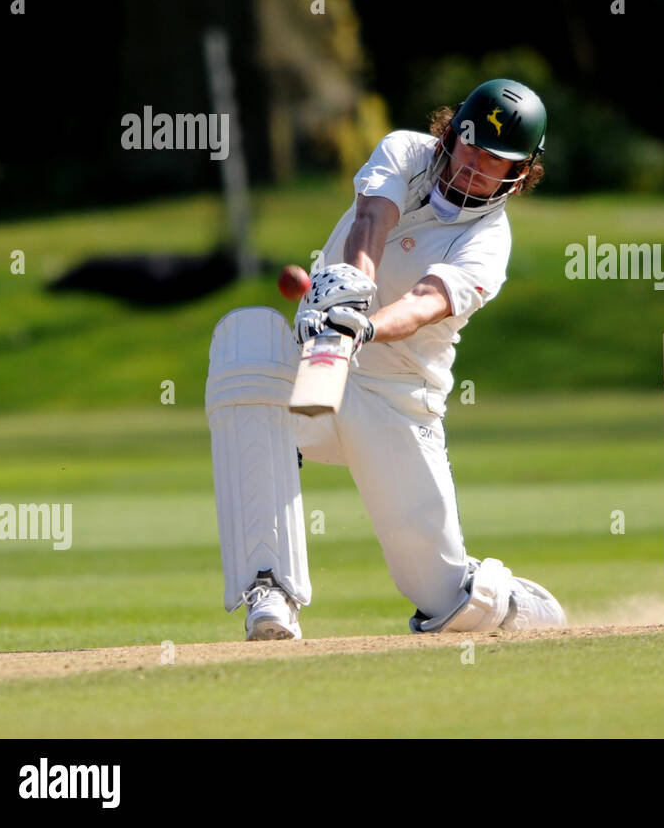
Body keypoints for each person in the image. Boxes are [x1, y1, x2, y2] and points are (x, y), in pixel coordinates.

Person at [206, 78, 567, 639]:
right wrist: (351, 290)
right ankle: (270, 590)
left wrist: (365, 325)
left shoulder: (490, 243)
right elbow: (373, 219)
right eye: (471, 145)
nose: (476, 165)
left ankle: (508, 603)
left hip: (397, 401)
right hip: (318, 368)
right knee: (247, 344)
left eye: (497, 161)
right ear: (451, 133)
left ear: (519, 175)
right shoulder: (405, 150)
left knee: (446, 602)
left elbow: (426, 302)